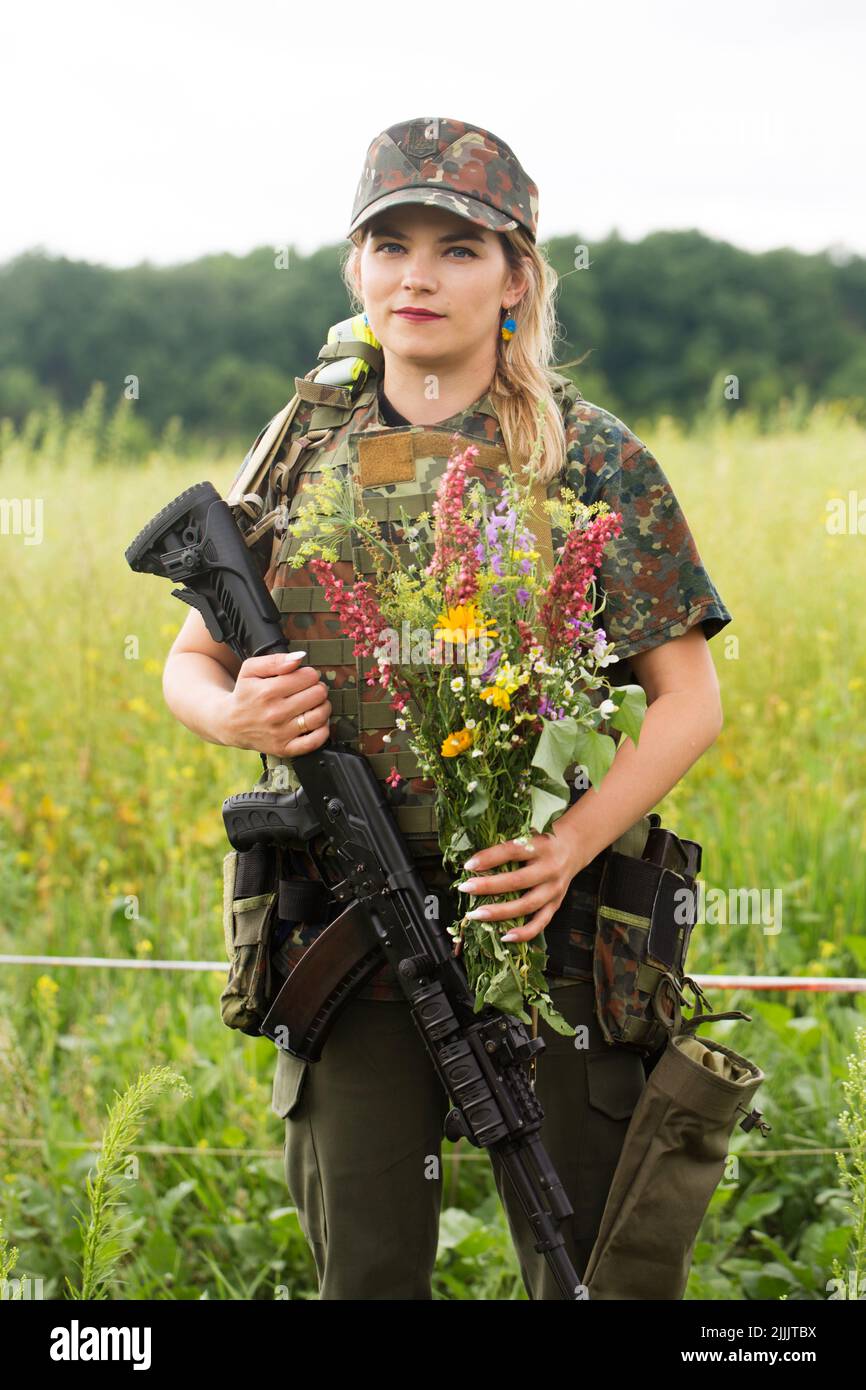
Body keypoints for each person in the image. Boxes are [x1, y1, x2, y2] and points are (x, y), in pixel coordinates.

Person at [161, 117, 733, 1300]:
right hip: (347, 925)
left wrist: (568, 848)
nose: (416, 276)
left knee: (592, 1270)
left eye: (457, 248)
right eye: (390, 244)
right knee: (367, 1274)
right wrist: (237, 715)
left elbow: (687, 699)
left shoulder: (585, 455)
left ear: (516, 277)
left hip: (551, 928)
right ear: (354, 267)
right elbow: (189, 663)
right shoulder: (301, 446)